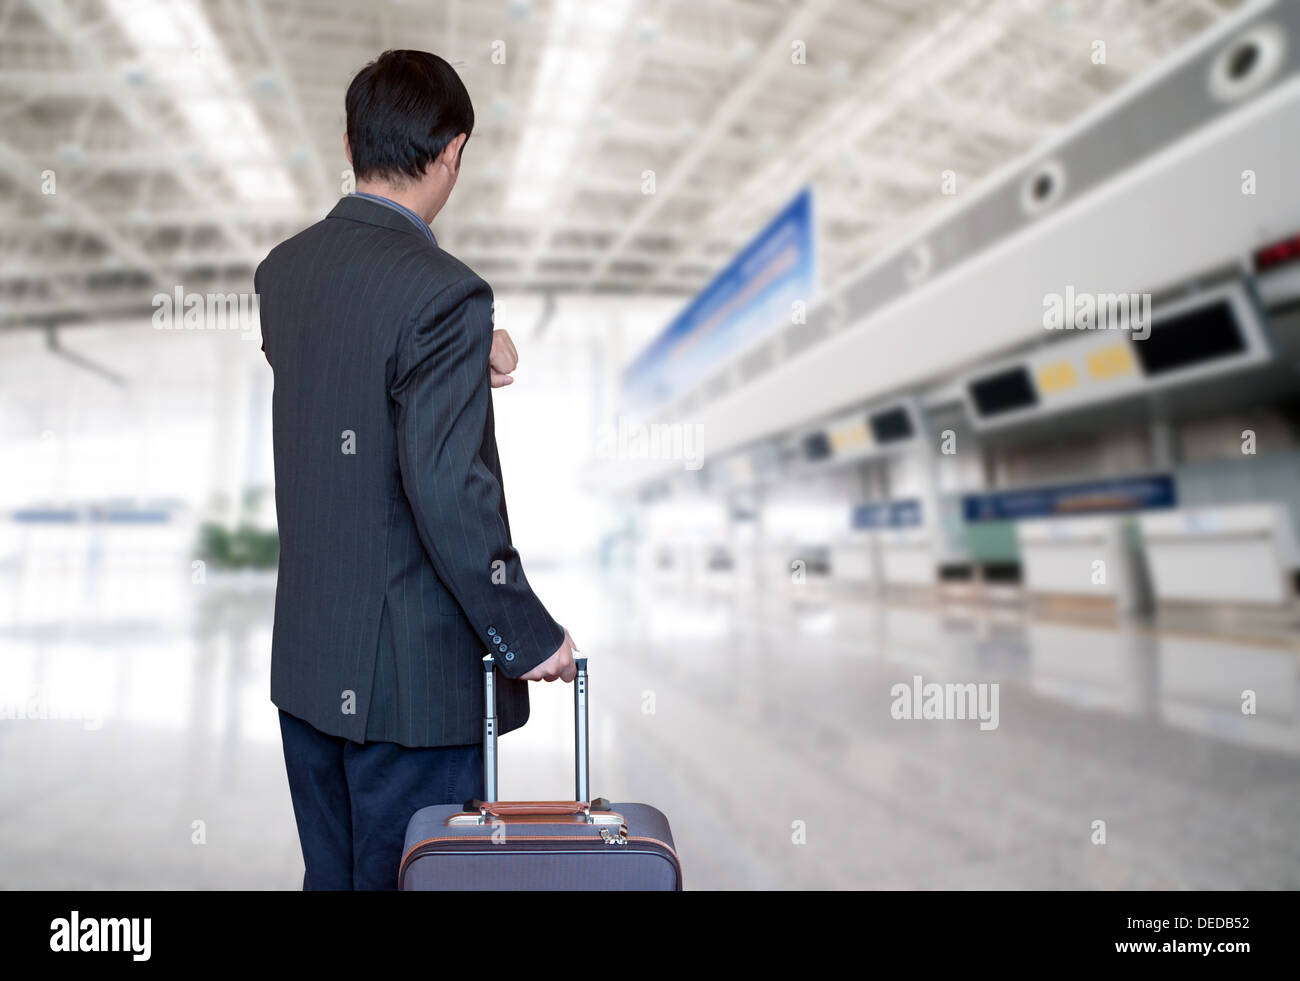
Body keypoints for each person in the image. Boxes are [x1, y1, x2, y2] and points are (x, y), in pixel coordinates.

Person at [254, 49, 577, 890]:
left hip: (311, 674)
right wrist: (528, 634)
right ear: (451, 152)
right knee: (414, 878)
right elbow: (445, 489)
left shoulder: (283, 274)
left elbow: (348, 366)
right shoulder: (447, 294)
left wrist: (470, 353)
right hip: (413, 693)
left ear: (353, 141)